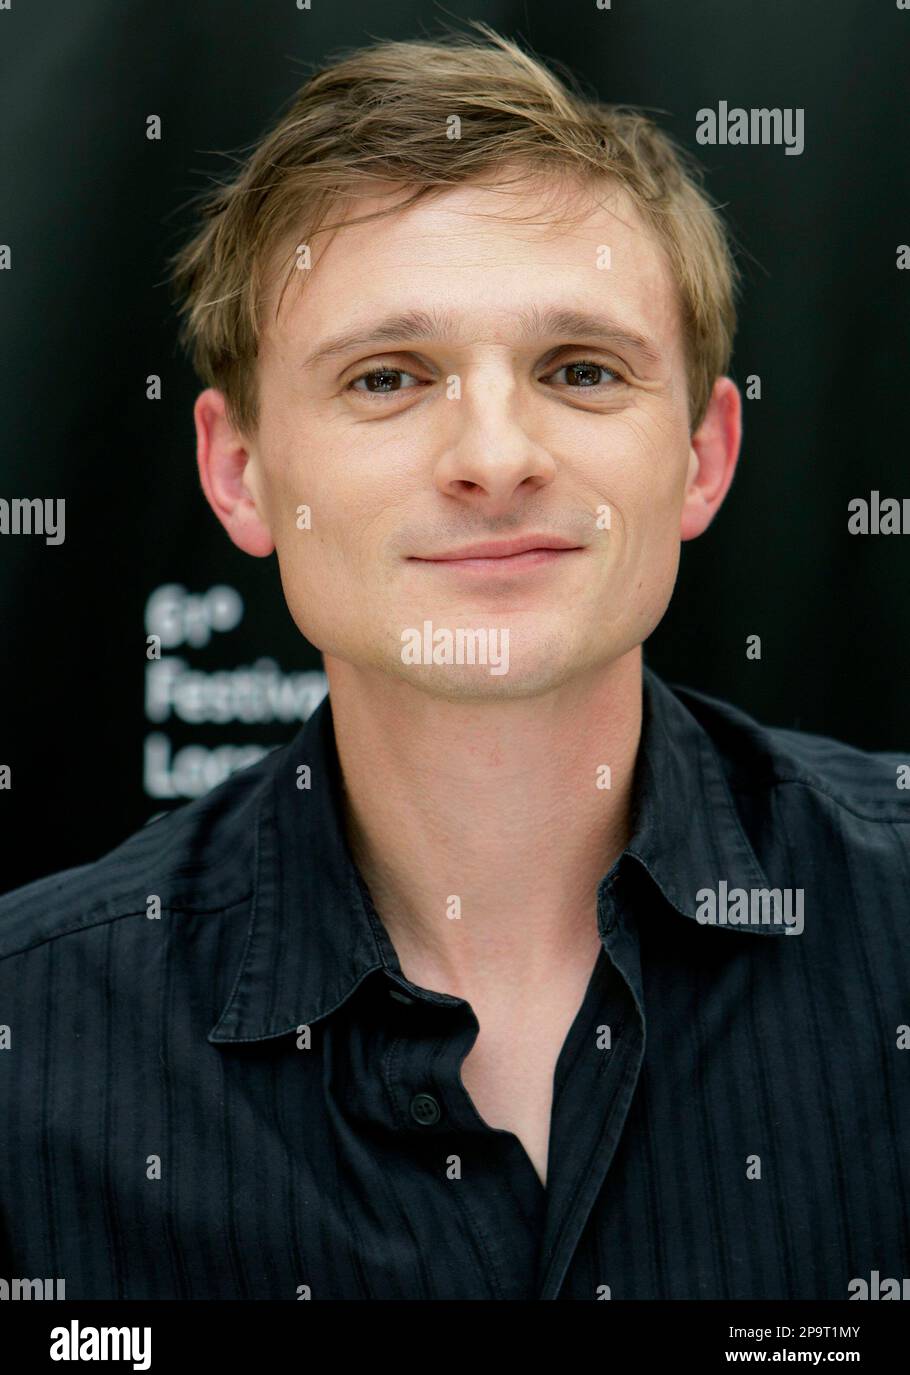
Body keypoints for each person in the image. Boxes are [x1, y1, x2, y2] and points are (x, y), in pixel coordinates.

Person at [1, 24, 907, 1301]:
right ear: (238, 471)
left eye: (580, 369)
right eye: (387, 377)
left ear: (701, 456)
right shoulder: (28, 1040)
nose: (494, 453)